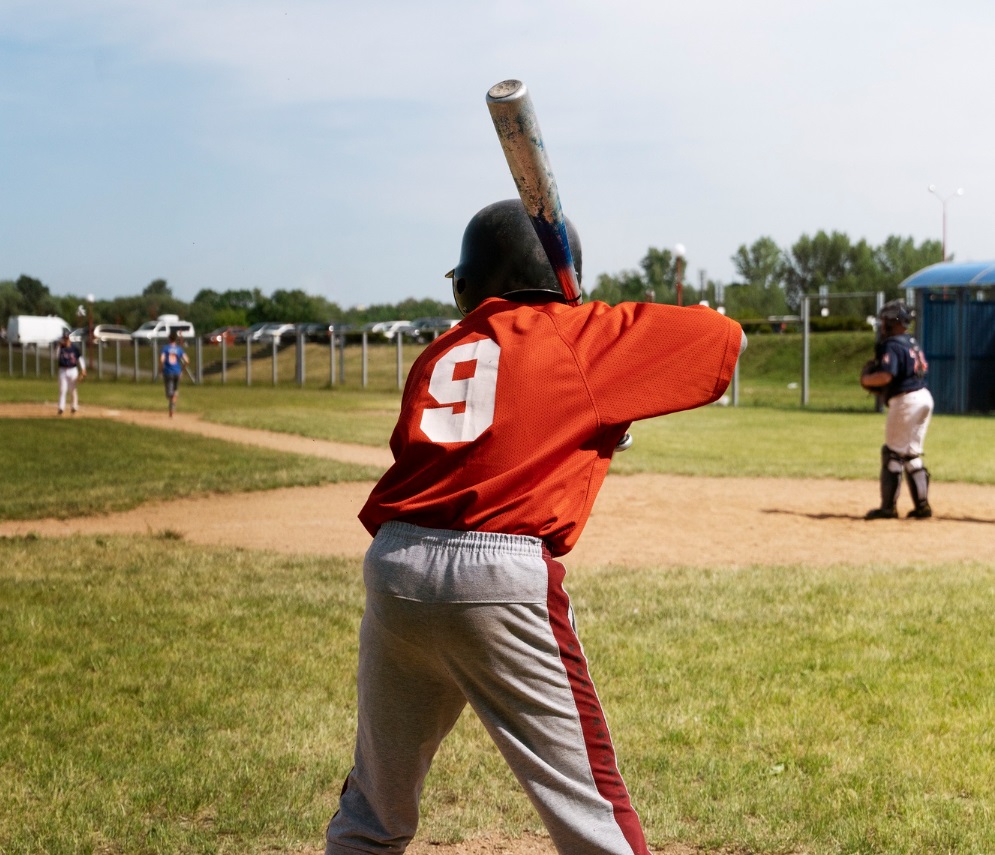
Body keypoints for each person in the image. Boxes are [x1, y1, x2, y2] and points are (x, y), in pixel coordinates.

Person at [324, 199, 746, 855]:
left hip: (397, 569)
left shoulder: (443, 349)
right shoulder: (576, 331)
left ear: (468, 283)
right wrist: (600, 339)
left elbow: (501, 428)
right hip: (497, 575)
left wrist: (602, 414)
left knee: (374, 807)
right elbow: (724, 339)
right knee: (591, 809)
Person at [859, 299, 933, 519]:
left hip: (906, 400)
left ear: (894, 322)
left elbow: (886, 375)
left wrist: (866, 379)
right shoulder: (911, 341)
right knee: (910, 453)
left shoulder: (892, 344)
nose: (883, 325)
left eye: (886, 321)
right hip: (924, 397)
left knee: (892, 453)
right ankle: (922, 506)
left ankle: (888, 508)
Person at [159, 330, 190, 417]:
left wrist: (161, 369)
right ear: (176, 339)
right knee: (175, 391)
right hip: (177, 371)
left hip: (168, 372)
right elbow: (187, 361)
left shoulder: (165, 348)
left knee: (169, 393)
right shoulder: (179, 349)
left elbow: (162, 360)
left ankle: (171, 404)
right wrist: (182, 370)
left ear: (169, 339)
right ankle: (172, 405)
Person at [56, 331, 86, 415]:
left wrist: (83, 369)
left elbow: (80, 358)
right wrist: (59, 346)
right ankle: (61, 408)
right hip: (63, 370)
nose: (66, 340)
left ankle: (74, 407)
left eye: (67, 338)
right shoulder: (61, 348)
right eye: (64, 338)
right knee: (62, 389)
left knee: (73, 389)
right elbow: (56, 356)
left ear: (69, 338)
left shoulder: (74, 348)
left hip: (73, 370)